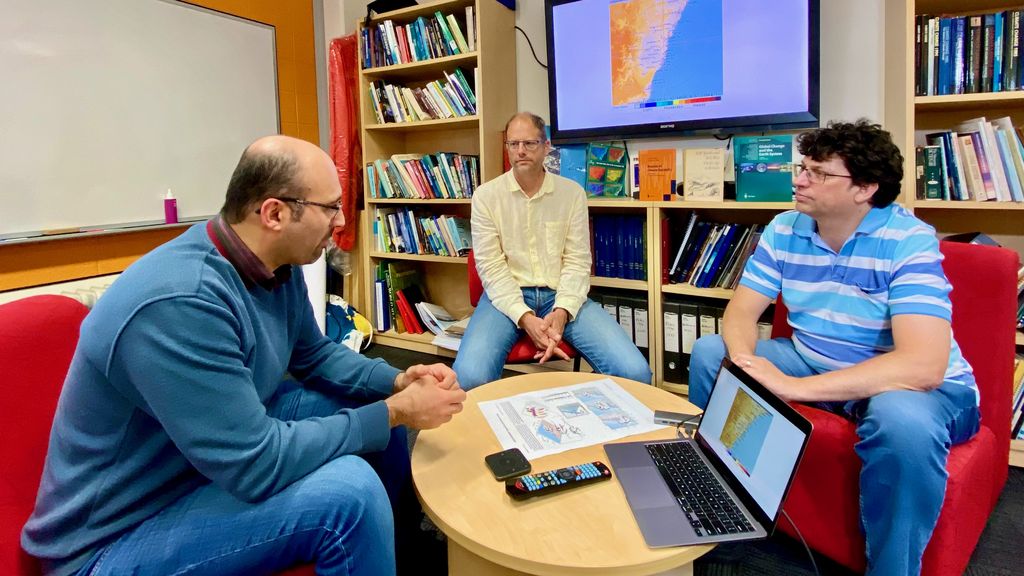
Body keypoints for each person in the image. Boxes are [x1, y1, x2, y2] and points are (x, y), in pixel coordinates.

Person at [22, 135, 467, 576]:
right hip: (113, 538)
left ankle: (390, 553)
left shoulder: (275, 262)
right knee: (350, 494)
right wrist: (394, 412)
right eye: (330, 207)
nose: (339, 220)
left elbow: (314, 356)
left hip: (198, 468)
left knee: (369, 418)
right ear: (274, 213)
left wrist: (396, 382)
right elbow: (257, 464)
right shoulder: (181, 302)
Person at [688, 120, 979, 576]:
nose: (799, 180)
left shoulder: (907, 240)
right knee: (711, 353)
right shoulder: (785, 228)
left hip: (909, 386)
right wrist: (746, 363)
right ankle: (723, 509)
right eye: (802, 168)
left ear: (865, 188)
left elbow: (923, 366)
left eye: (819, 173)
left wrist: (789, 386)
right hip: (813, 360)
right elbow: (740, 315)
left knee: (901, 422)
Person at [453, 112, 651, 390]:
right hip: (506, 296)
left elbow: (577, 262)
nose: (520, 151)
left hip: (560, 295)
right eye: (513, 144)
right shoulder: (486, 197)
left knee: (635, 373)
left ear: (546, 147)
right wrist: (525, 318)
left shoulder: (571, 194)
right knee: (469, 378)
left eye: (529, 143)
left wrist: (561, 314)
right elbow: (491, 268)